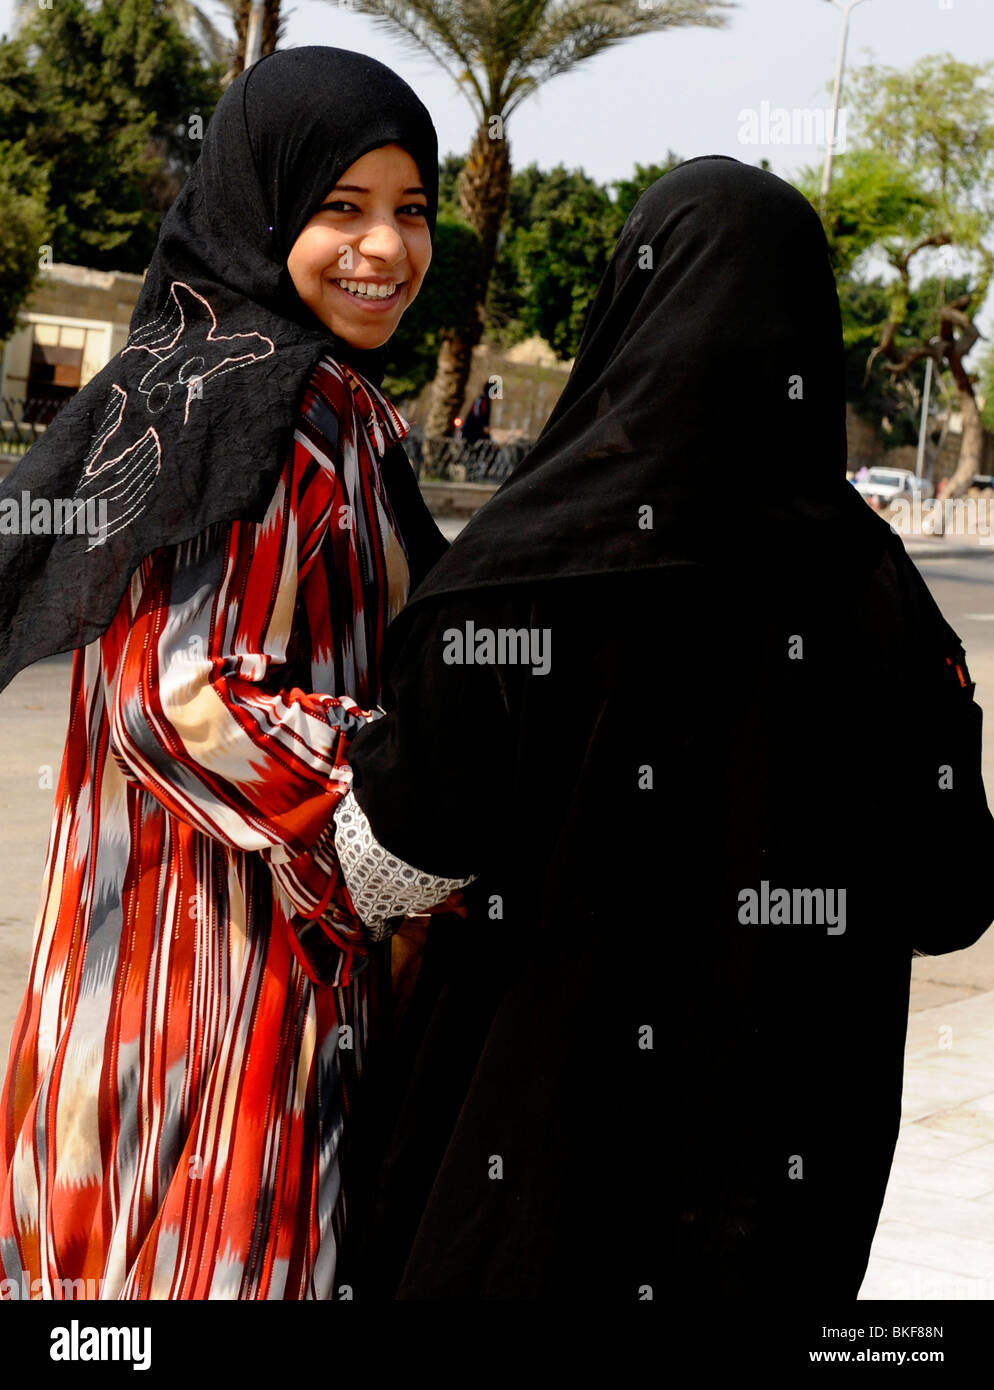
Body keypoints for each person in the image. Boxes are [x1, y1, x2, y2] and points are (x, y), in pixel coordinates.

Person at [323, 157, 994, 1300]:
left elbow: (392, 860)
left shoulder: (515, 575)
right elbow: (950, 897)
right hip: (773, 1214)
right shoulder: (884, 597)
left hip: (516, 1187)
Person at [0, 46, 445, 1299]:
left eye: (410, 211)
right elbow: (184, 695)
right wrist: (410, 806)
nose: (386, 249)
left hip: (145, 957)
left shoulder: (224, 377)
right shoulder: (262, 403)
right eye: (340, 209)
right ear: (261, 207)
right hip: (224, 971)